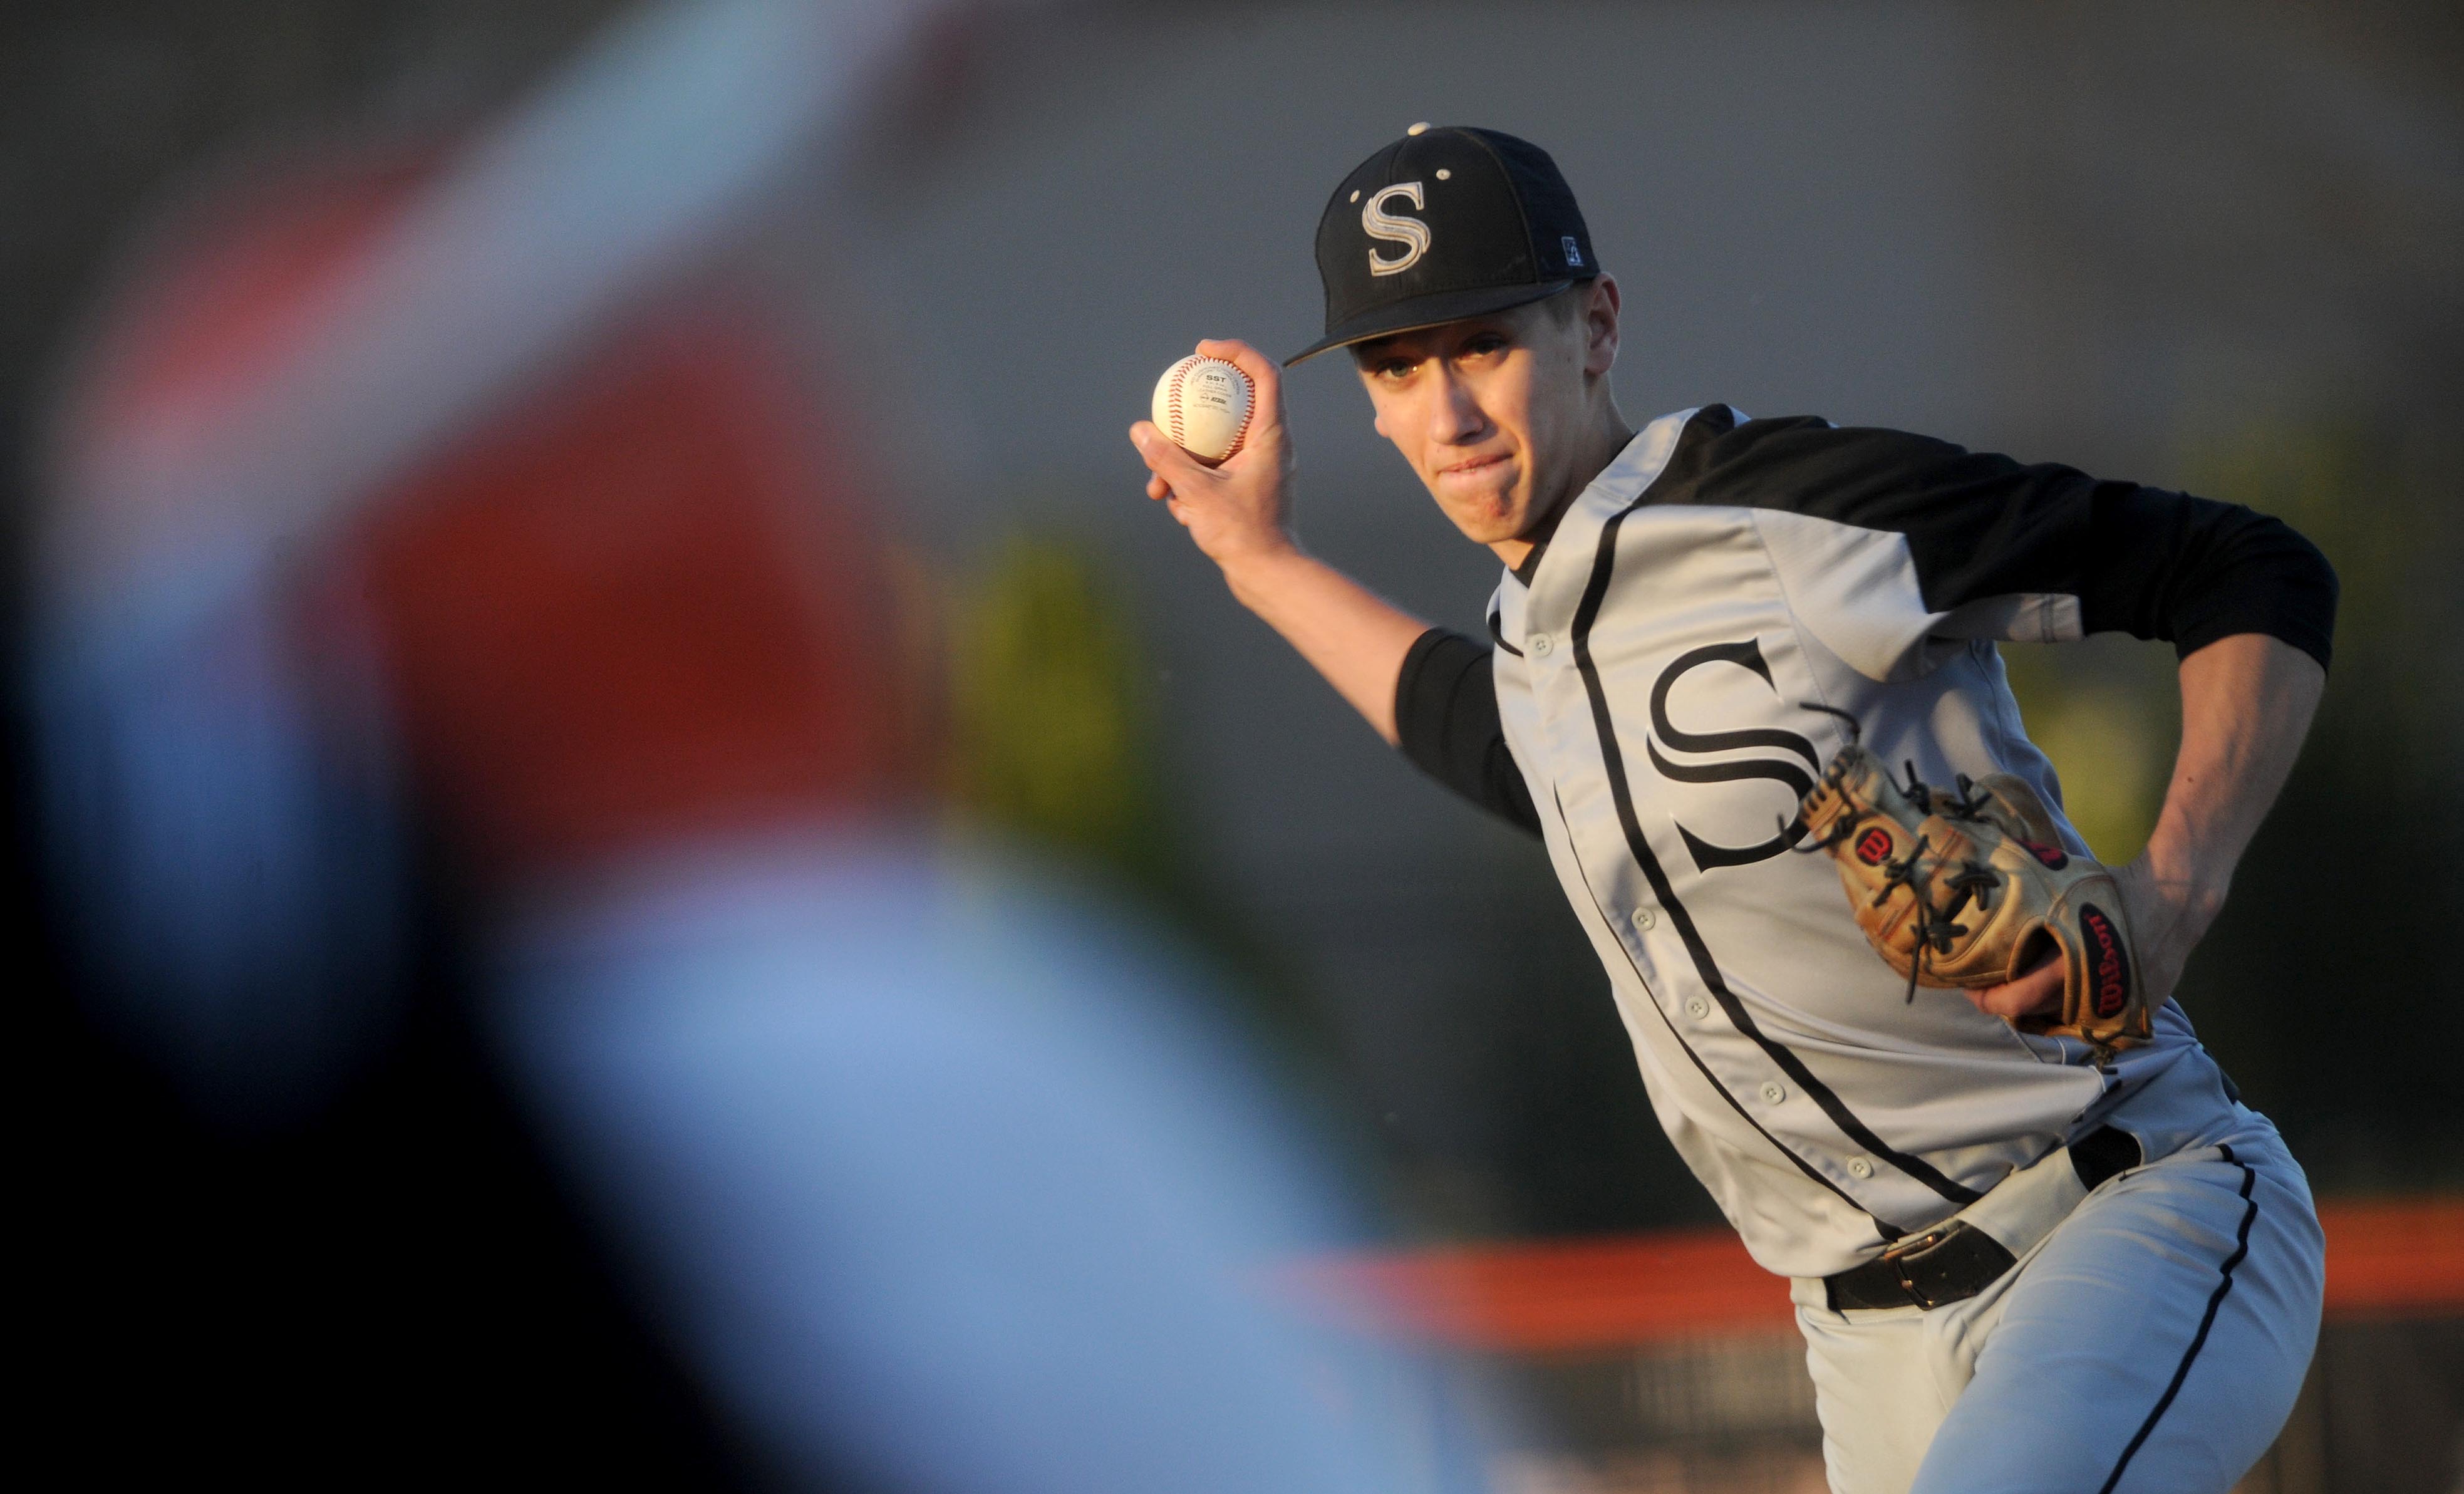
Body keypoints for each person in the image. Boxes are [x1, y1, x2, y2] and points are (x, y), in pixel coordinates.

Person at [1129, 123, 2337, 1494]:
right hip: (1861, 1340)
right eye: (1398, 365)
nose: (1446, 412)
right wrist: (1256, 559)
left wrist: (2173, 887)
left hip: (2122, 1217)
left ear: (1595, 326)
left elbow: (2243, 567)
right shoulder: (1534, 644)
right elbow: (1482, 737)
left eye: (1483, 346)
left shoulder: (1791, 514)